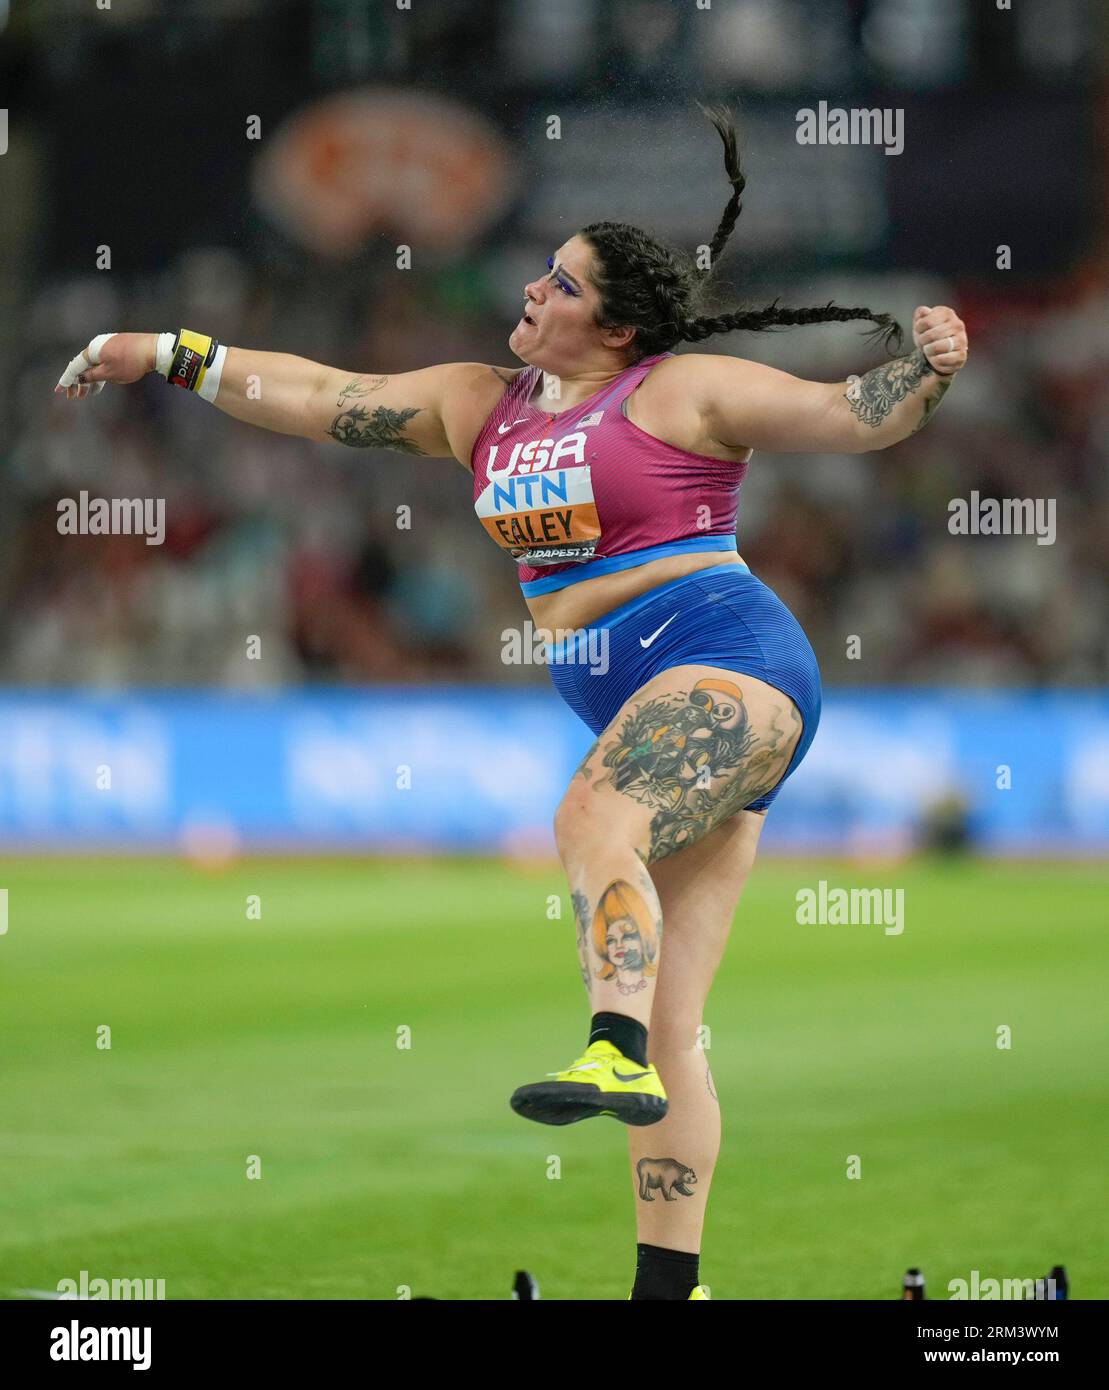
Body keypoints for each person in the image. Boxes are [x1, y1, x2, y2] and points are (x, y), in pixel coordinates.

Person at [56, 105, 968, 1300]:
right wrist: (170, 351)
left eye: (562, 283)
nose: (532, 290)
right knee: (680, 1026)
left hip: (727, 658)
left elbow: (851, 415)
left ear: (618, 324)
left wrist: (927, 365)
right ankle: (667, 1284)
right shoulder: (472, 401)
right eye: (541, 272)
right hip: (644, 700)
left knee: (594, 819)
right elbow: (319, 394)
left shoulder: (679, 389)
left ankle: (607, 1044)